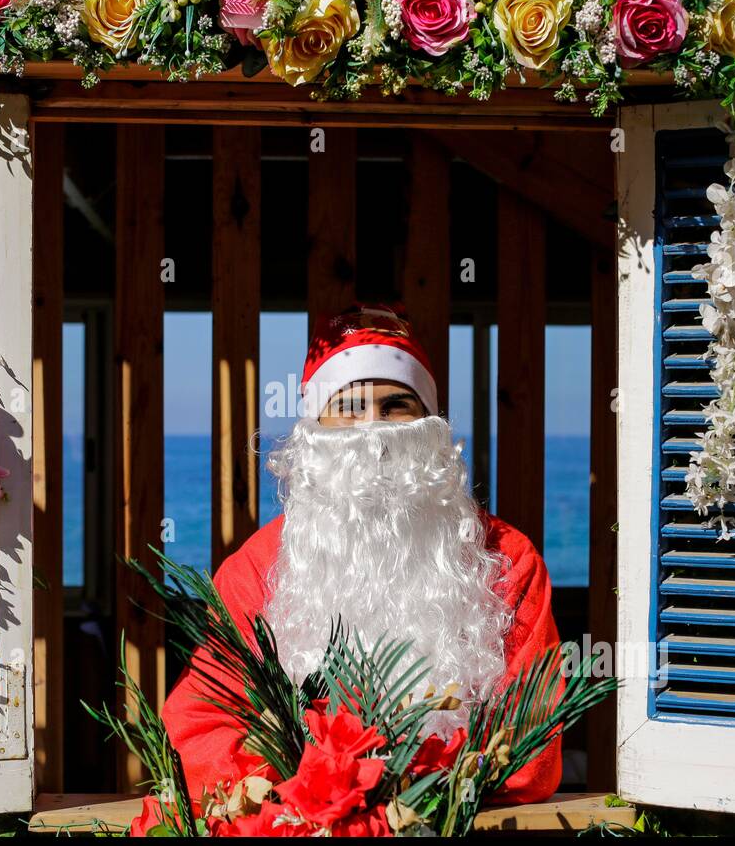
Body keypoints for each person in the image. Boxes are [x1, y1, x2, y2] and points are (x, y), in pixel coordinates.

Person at [161, 303, 563, 809]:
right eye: (349, 406)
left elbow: (533, 747)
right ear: (315, 428)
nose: (372, 429)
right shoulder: (256, 569)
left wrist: (405, 793)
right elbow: (198, 730)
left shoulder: (506, 559)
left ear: (429, 424)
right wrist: (314, 790)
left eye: (397, 406)